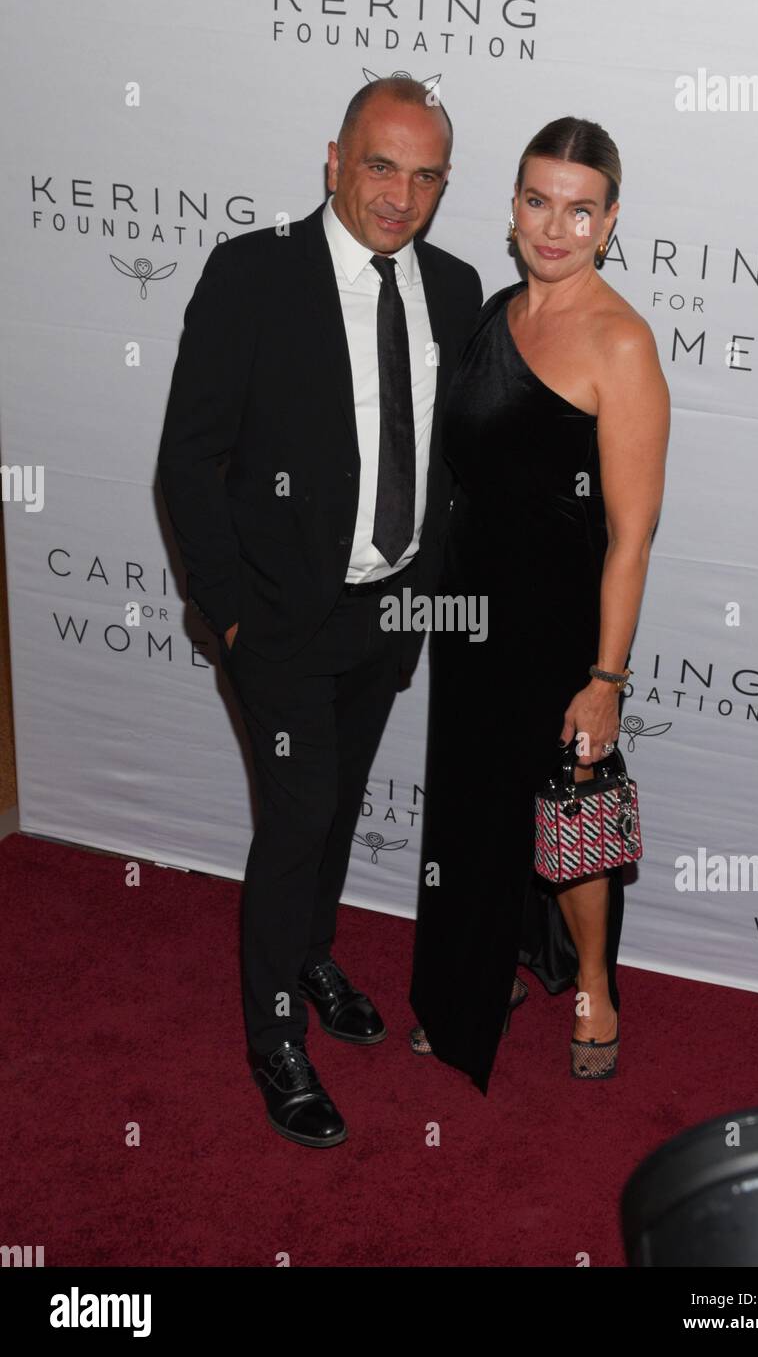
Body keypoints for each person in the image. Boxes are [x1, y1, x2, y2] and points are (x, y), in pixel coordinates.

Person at [158, 77, 482, 1147]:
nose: (399, 194)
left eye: (424, 173)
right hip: (281, 618)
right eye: (380, 165)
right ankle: (275, 1033)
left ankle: (309, 952)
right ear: (332, 159)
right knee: (297, 819)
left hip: (389, 614)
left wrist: (432, 593)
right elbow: (189, 461)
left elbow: (451, 465)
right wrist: (232, 615)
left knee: (336, 807)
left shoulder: (455, 284)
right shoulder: (253, 275)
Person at [409, 117, 670, 1093]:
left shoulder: (622, 341)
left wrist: (604, 679)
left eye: (577, 208)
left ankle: (596, 983)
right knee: (473, 816)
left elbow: (631, 535)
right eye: (535, 200)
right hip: (470, 619)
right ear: (513, 205)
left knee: (573, 818)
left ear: (607, 222)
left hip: (561, 631)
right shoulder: (491, 314)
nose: (552, 226)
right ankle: (470, 984)